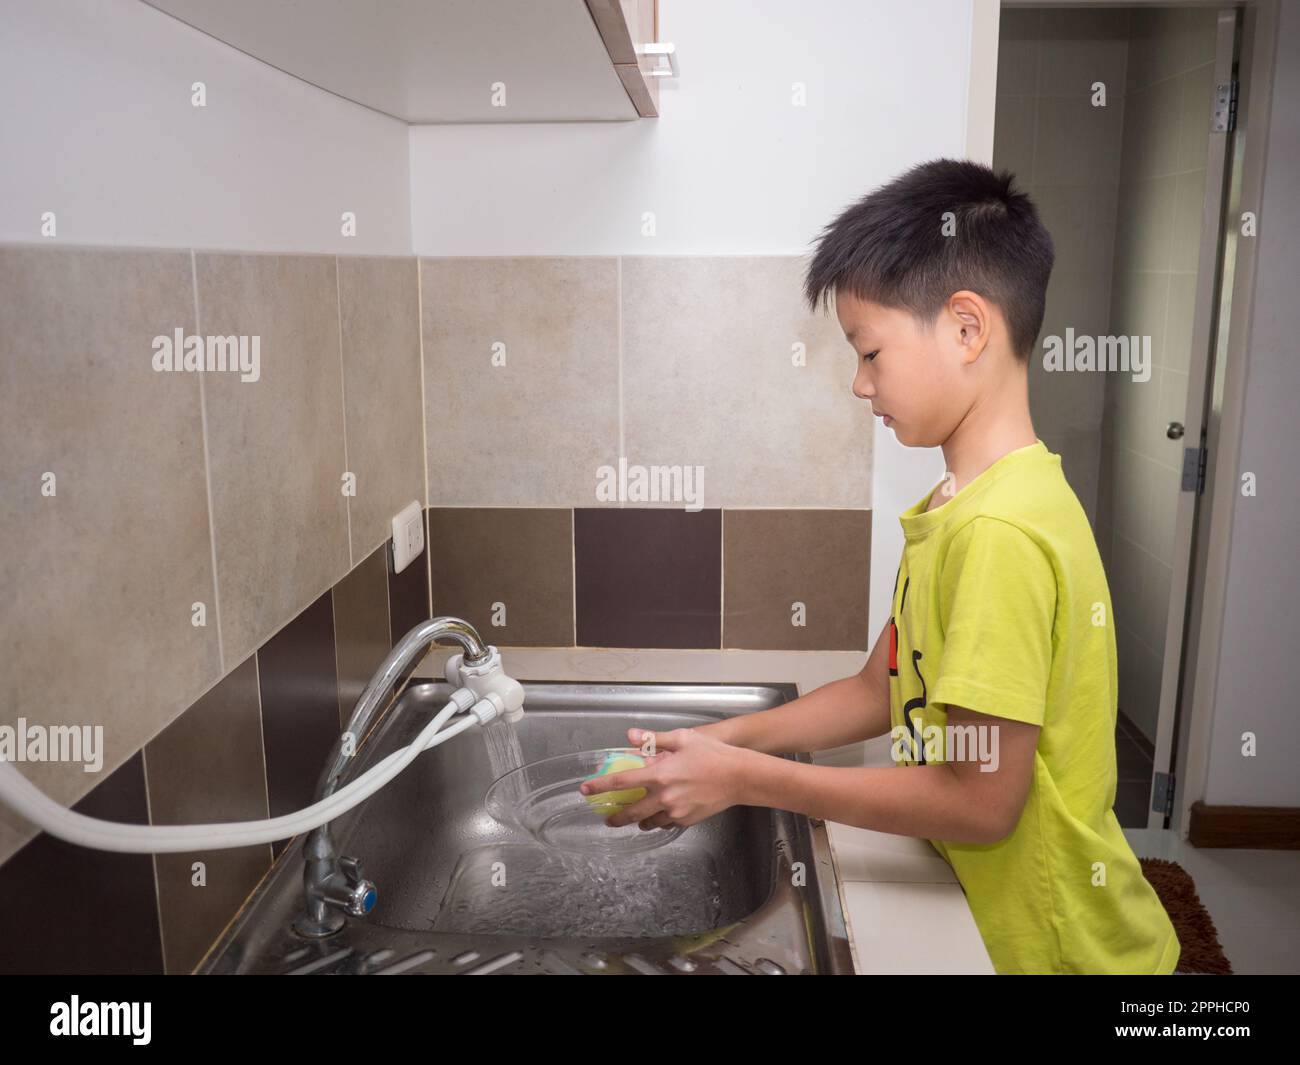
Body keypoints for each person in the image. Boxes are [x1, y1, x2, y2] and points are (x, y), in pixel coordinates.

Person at [580, 158, 1181, 975]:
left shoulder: (999, 533)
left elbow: (981, 801)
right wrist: (716, 742)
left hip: (1059, 950)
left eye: (870, 353)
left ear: (968, 329)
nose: (861, 385)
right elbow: (879, 689)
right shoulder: (957, 503)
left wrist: (749, 779)